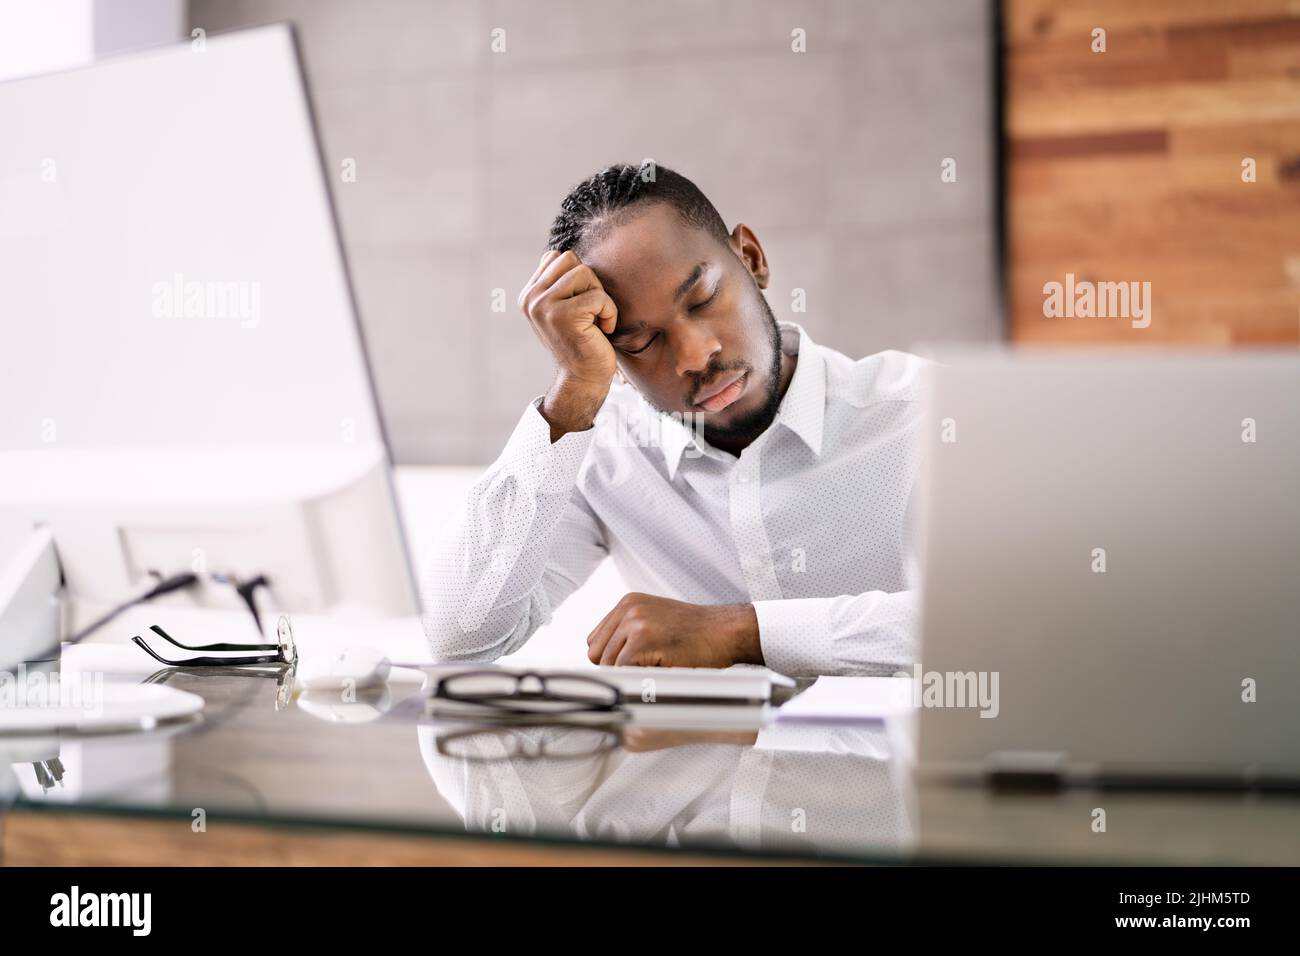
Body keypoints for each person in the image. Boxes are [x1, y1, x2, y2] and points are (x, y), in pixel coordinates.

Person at [422, 162, 925, 677]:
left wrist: (738, 633)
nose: (694, 355)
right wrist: (573, 389)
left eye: (703, 299)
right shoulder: (602, 452)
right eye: (640, 342)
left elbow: (1000, 619)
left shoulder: (924, 415)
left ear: (751, 259)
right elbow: (460, 636)